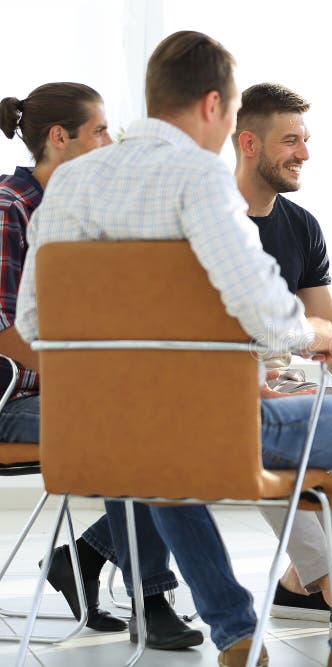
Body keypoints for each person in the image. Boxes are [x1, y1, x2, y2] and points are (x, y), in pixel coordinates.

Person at [15, 31, 332, 667]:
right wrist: (322, 336)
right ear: (214, 105)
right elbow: (268, 321)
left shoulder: (70, 186)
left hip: (102, 437)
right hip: (213, 430)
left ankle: (239, 636)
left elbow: (32, 321)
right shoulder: (202, 182)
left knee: (158, 455)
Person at [0, 83, 201, 648]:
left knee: (195, 425)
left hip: (70, 393)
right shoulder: (9, 209)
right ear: (59, 139)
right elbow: (4, 330)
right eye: (100, 132)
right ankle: (150, 598)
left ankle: (84, 556)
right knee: (132, 427)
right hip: (12, 400)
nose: (112, 144)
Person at [233, 81, 332, 622]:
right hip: (220, 386)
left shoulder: (301, 225)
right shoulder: (210, 221)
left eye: (306, 139)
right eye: (290, 140)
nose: (305, 154)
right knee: (270, 426)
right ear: (249, 144)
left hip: (281, 377)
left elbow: (329, 322)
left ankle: (303, 583)